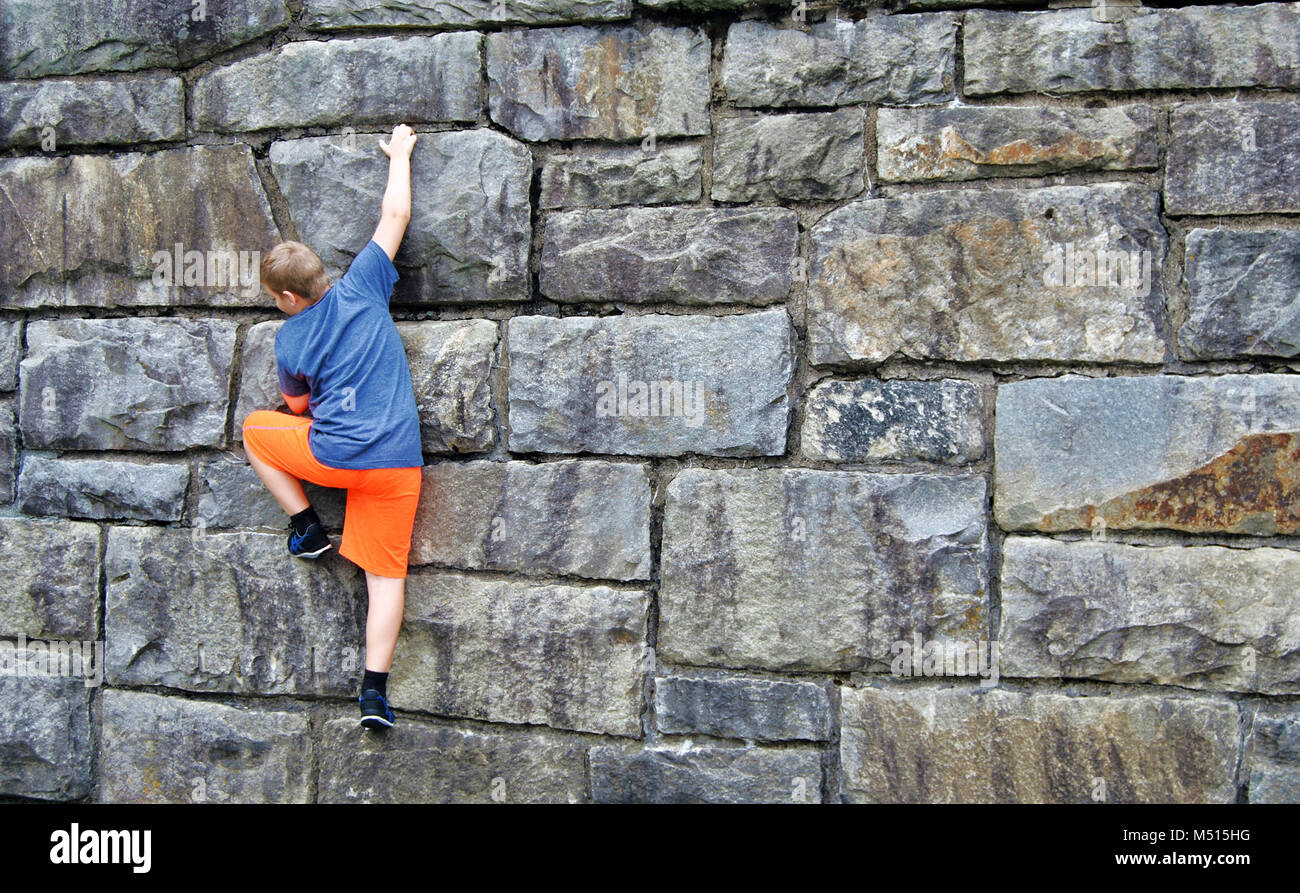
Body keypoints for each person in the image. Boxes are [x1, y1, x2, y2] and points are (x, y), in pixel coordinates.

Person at [241, 123, 423, 730]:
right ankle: (375, 695)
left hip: (336, 459)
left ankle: (306, 527)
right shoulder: (365, 285)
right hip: (398, 467)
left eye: (273, 296)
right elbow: (394, 213)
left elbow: (296, 414)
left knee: (254, 429)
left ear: (290, 298)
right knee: (385, 577)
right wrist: (399, 153)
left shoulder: (290, 337)